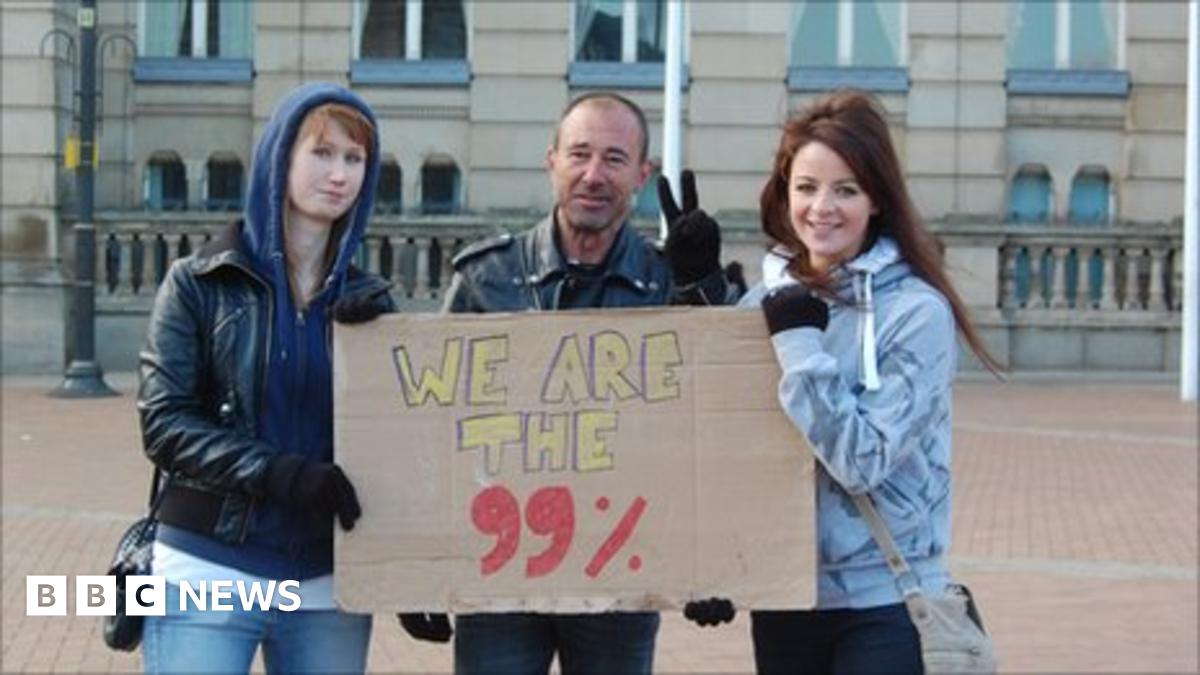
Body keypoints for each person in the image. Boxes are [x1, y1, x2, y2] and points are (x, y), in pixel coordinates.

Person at [410, 91, 736, 674]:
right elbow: (431, 431)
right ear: (551, 160)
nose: (593, 174)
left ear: (643, 173)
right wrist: (419, 568)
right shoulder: (486, 277)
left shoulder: (669, 282)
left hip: (621, 573)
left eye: (614, 159)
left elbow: (716, 420)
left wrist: (704, 289)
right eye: (579, 153)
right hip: (499, 572)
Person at [740, 89, 1001, 674]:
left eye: (846, 190)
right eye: (806, 187)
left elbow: (862, 459)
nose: (821, 207)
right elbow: (734, 451)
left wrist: (798, 344)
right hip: (785, 596)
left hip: (886, 598)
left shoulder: (917, 313)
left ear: (877, 199)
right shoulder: (764, 304)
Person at [137, 82, 394, 674]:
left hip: (326, 581)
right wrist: (278, 473)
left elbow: (403, 445)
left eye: (354, 159)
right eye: (322, 153)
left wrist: (412, 568)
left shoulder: (372, 302)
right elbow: (165, 424)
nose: (339, 174)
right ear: (281, 156)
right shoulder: (199, 281)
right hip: (209, 567)